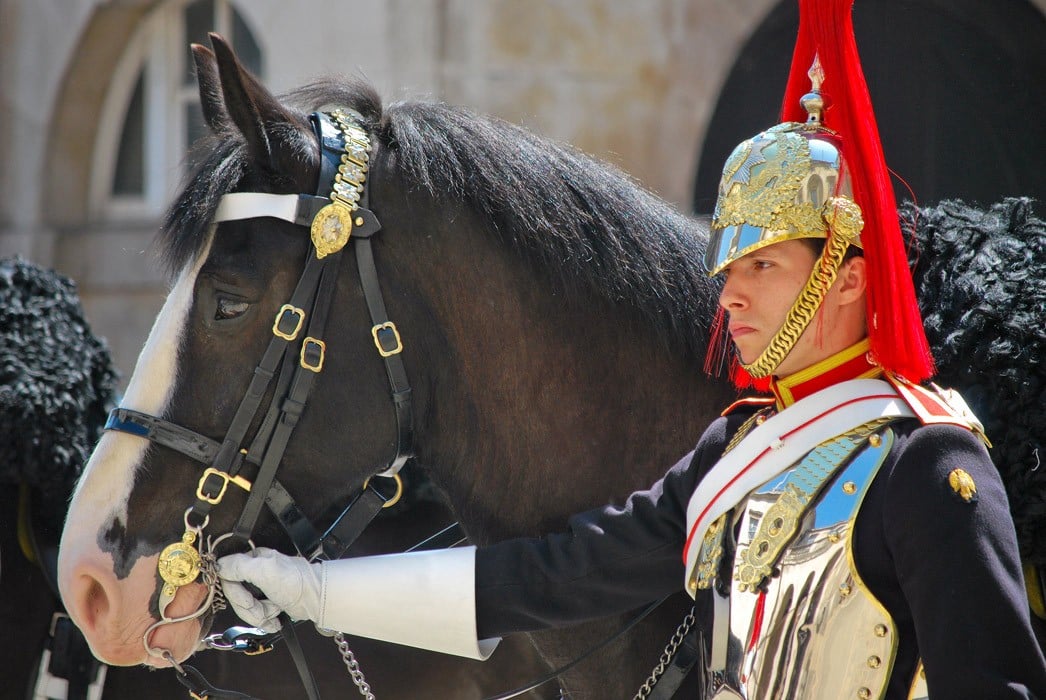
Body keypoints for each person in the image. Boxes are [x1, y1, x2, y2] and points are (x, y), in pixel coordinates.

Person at [218, 0, 1046, 696]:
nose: (732, 293)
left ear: (850, 279)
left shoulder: (927, 468)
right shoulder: (737, 450)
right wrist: (315, 593)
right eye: (729, 267)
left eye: (763, 264)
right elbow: (552, 577)